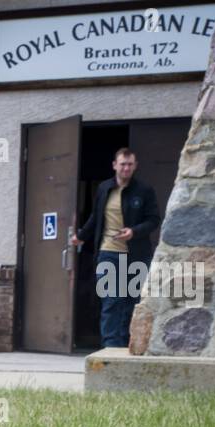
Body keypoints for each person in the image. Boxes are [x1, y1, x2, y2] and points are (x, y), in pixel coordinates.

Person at [70, 148, 161, 349]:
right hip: (108, 252)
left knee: (131, 301)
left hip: (135, 255)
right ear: (115, 165)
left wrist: (134, 232)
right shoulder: (104, 189)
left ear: (135, 166)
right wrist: (81, 235)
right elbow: (95, 217)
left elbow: (154, 220)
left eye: (130, 164)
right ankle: (110, 346)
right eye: (122, 164)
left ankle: (125, 345)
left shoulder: (144, 190)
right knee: (112, 299)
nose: (126, 168)